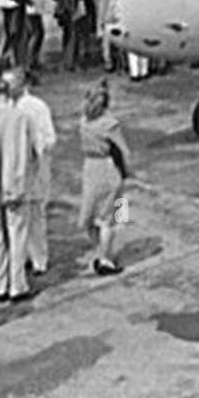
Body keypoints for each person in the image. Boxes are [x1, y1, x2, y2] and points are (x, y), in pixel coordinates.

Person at [0, 79, 39, 302]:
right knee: (17, 235)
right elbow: (35, 151)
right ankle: (17, 284)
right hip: (16, 183)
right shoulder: (23, 118)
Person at [78, 82, 132, 275]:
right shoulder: (109, 124)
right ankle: (105, 259)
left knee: (91, 214)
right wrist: (127, 171)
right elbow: (124, 151)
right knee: (109, 217)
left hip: (89, 167)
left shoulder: (83, 121)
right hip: (108, 168)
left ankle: (99, 250)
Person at [6, 70, 56, 276]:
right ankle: (22, 255)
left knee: (36, 214)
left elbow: (50, 138)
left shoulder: (36, 106)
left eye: (11, 84)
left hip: (35, 167)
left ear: (22, 84)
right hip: (12, 169)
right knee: (16, 215)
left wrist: (36, 151)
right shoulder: (5, 106)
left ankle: (39, 259)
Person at [47, 0, 82, 71]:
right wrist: (66, 3)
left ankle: (68, 60)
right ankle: (69, 63)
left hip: (69, 6)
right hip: (70, 7)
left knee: (69, 34)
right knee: (72, 34)